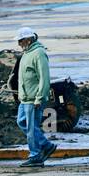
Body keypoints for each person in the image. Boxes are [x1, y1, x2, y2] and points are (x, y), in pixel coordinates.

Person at [15, 27, 56, 168]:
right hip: (25, 99)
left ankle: (35, 155)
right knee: (22, 122)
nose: (19, 44)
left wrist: (40, 98)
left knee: (32, 128)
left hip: (33, 99)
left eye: (21, 41)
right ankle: (46, 145)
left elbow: (44, 78)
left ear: (29, 39)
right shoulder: (27, 53)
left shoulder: (39, 53)